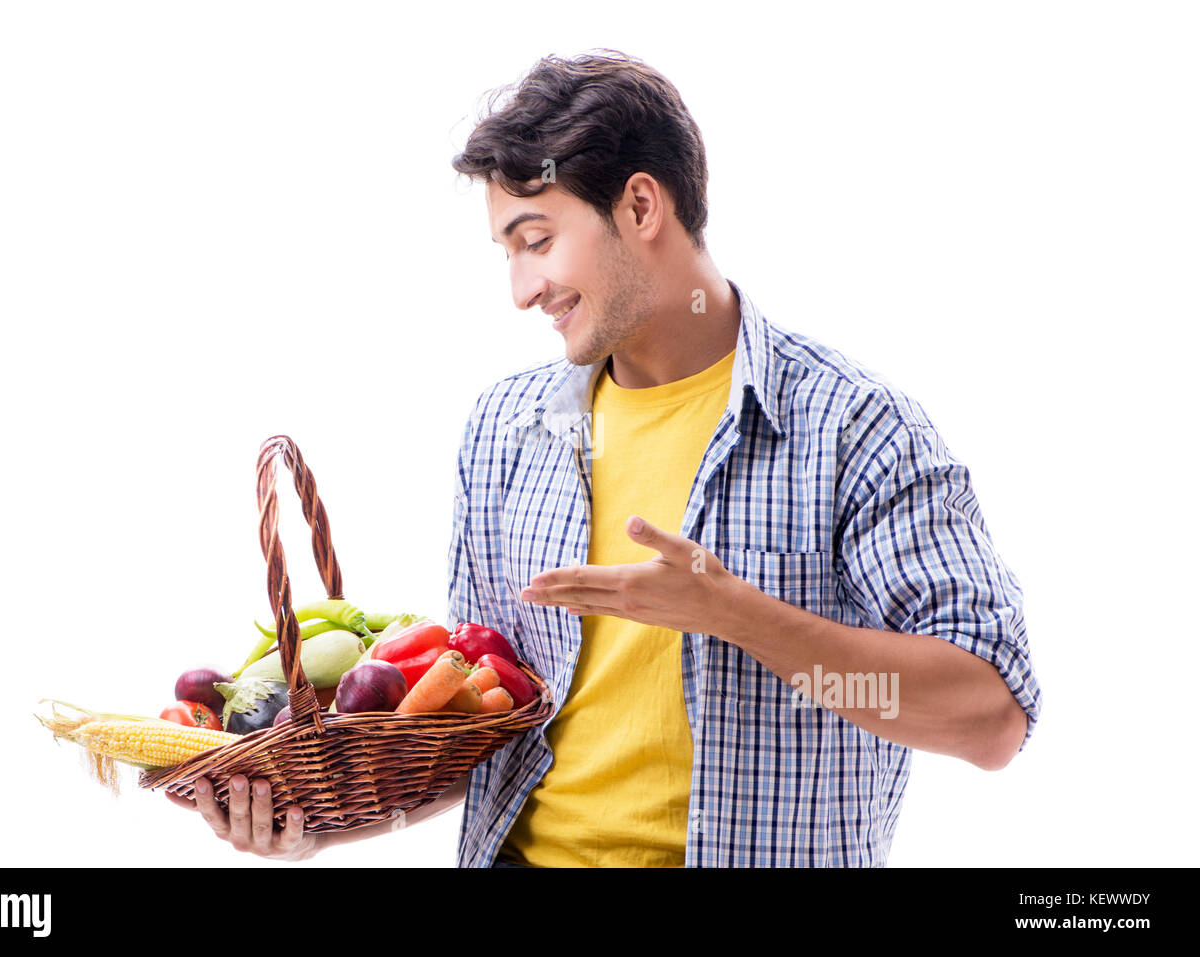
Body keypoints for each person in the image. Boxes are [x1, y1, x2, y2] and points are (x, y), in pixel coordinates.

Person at [171, 49, 1042, 867]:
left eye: (537, 240)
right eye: (507, 252)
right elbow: (482, 721)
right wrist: (323, 818)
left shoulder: (855, 426)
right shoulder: (505, 429)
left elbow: (992, 717)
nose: (521, 291)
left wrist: (734, 612)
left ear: (639, 207)